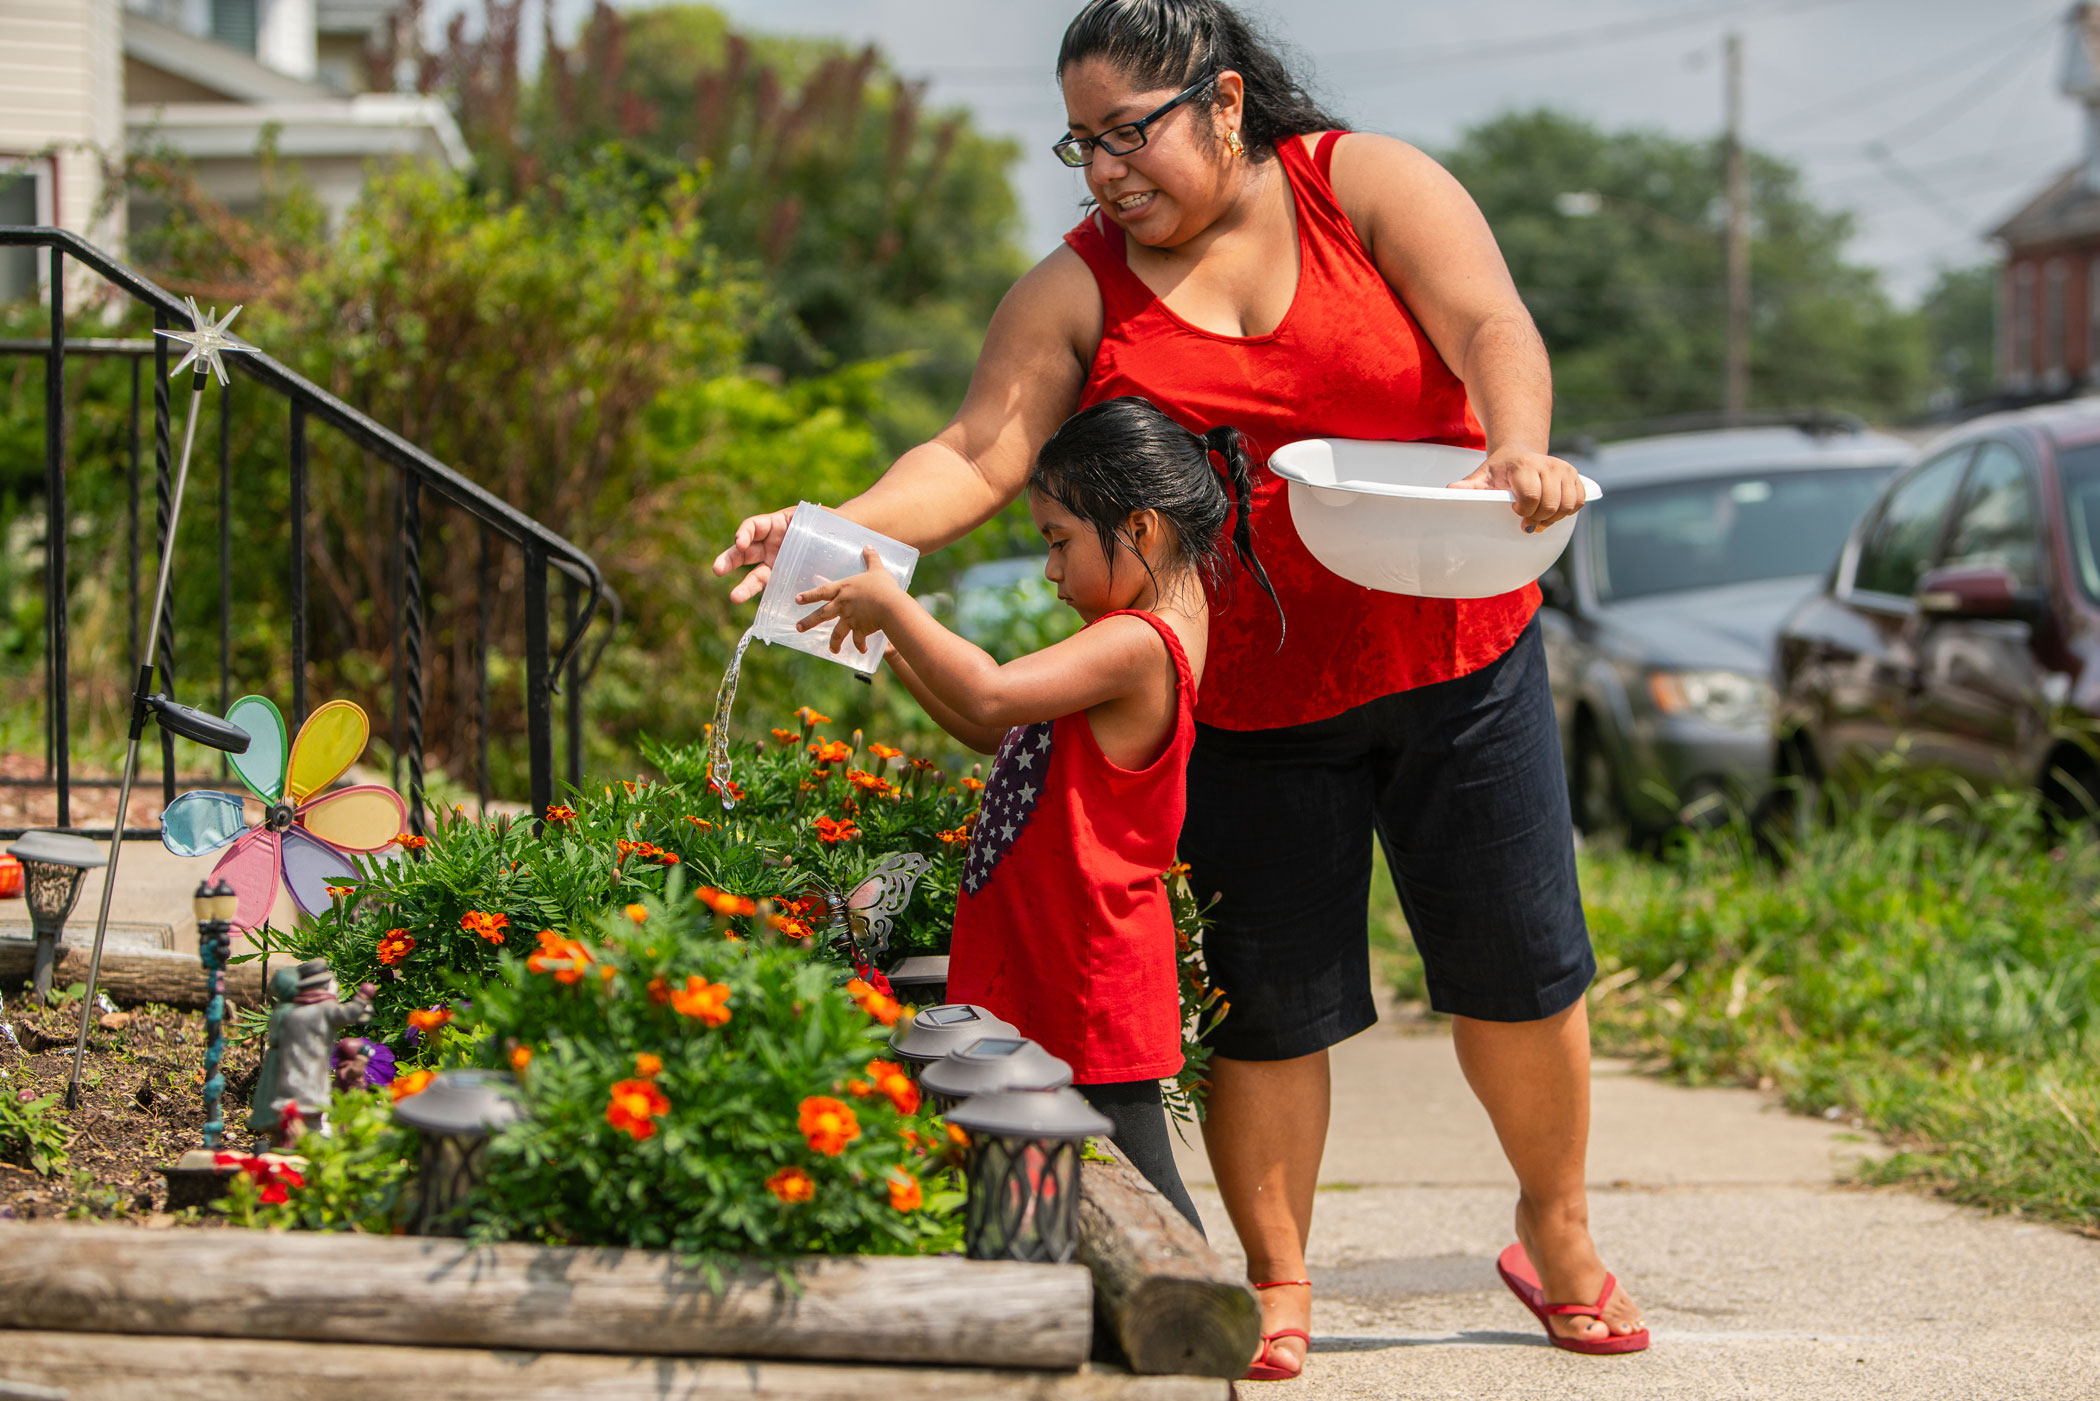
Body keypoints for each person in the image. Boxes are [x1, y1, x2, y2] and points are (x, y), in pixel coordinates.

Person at [717, 0, 1646, 1375]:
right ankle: (1276, 1279)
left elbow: (1491, 324)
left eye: (1128, 132)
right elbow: (978, 450)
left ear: (1221, 102)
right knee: (1272, 1000)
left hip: (1457, 649)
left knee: (1517, 972)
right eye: (1080, 142)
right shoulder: (1079, 283)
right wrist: (829, 533)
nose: (1105, 170)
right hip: (1249, 699)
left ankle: (1555, 1234)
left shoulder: (1363, 184)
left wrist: (1519, 448)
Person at [794, 395, 1277, 1230]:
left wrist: (896, 606)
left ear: (1143, 529)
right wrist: (888, 642)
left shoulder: (1138, 642)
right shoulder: (1128, 634)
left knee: (1139, 1188)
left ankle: (1203, 1333)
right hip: (1052, 949)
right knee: (1069, 1173)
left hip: (1091, 968)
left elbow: (989, 687)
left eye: (1060, 541)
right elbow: (989, 722)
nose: (1051, 571)